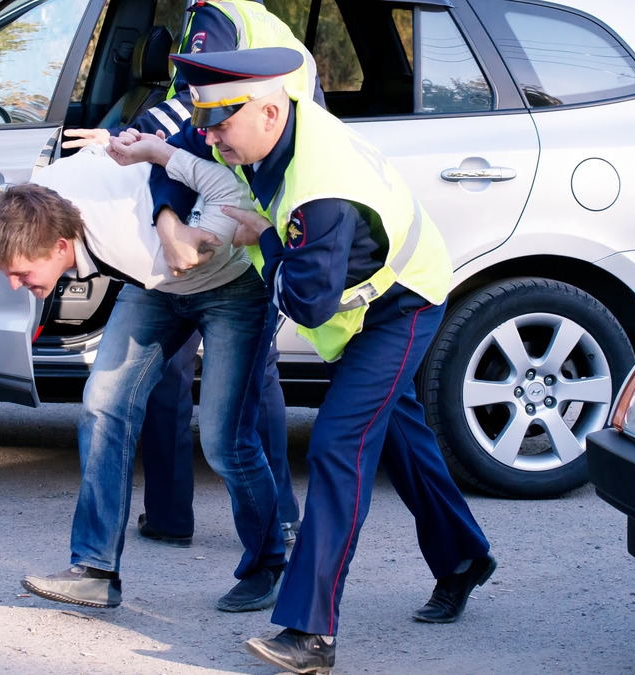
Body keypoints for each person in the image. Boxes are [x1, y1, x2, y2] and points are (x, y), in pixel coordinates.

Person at [113, 47, 497, 674]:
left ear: (268, 111)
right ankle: (463, 557)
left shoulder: (322, 195)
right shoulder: (265, 122)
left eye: (219, 126)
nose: (209, 137)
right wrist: (158, 155)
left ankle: (309, 632)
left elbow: (307, 306)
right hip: (367, 298)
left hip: (401, 306)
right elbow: (188, 148)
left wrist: (258, 237)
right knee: (398, 435)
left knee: (337, 445)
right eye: (205, 123)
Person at [0, 143, 286, 612]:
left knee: (226, 440)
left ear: (60, 246)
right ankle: (95, 570)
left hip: (230, 289)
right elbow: (119, 158)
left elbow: (225, 187)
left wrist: (207, 231)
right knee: (103, 409)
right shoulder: (51, 188)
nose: (15, 285)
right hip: (155, 291)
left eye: (22, 273)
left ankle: (268, 565)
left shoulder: (129, 243)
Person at [62, 0, 321, 549]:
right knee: (242, 388)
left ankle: (211, 522)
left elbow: (196, 115)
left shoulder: (213, 16)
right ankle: (257, 522)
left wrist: (132, 140)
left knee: (219, 406)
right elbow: (193, 132)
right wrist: (164, 213)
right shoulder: (248, 15)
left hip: (242, 216)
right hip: (242, 196)